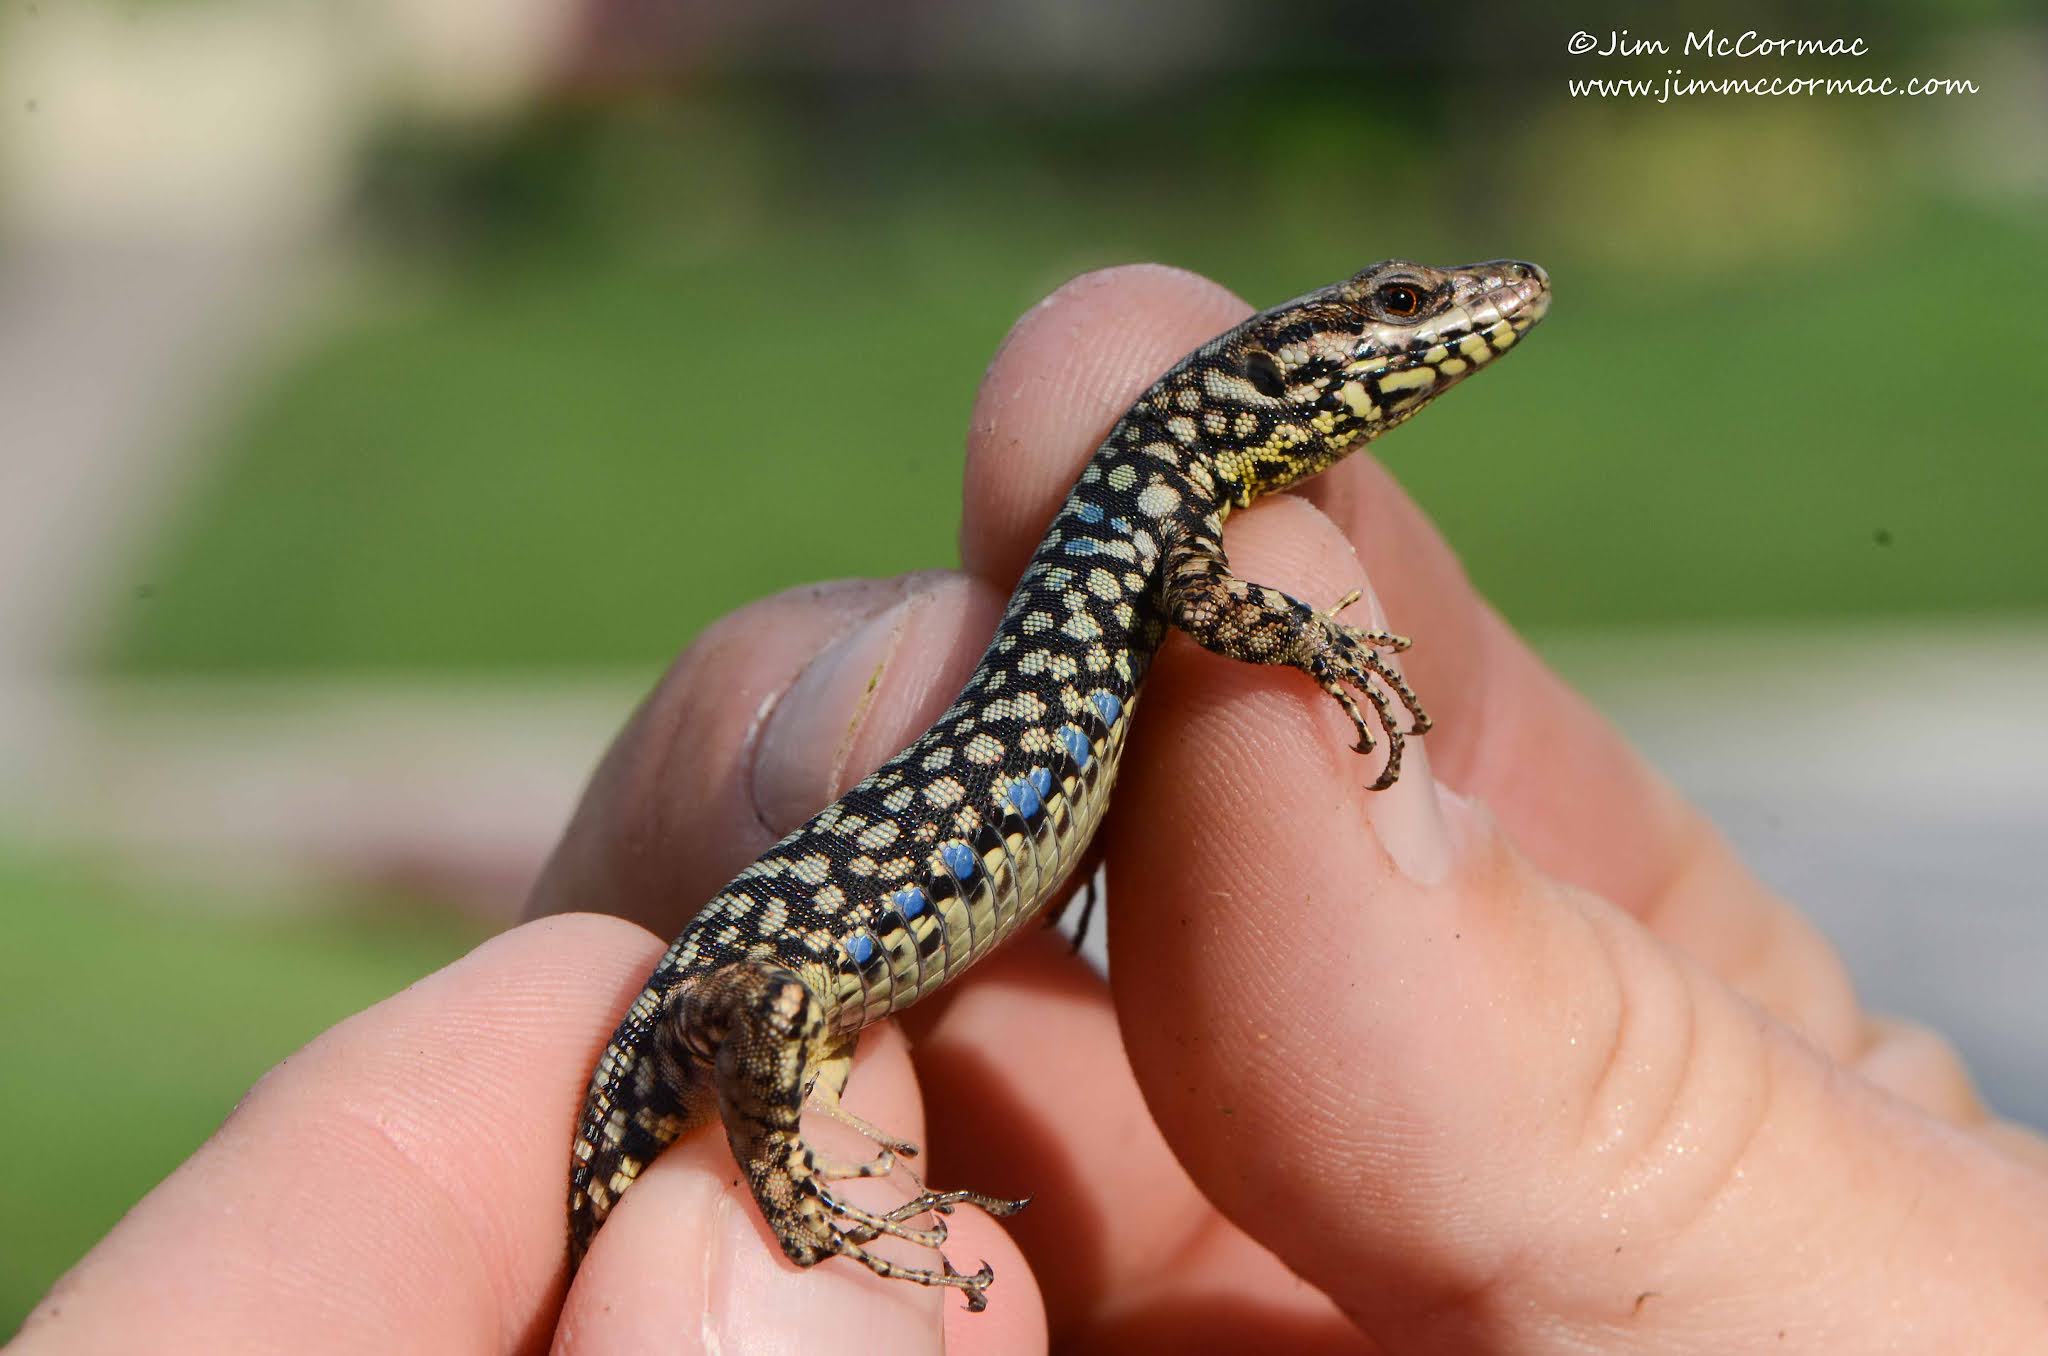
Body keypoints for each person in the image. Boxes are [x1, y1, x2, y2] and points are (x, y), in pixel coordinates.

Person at [14, 265, 2046, 1355]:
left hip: (843, 920)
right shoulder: (1179, 515)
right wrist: (820, 1207)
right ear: (1293, 368)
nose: (1453, 323)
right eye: (1404, 310)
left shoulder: (1185, 502)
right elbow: (1199, 610)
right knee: (765, 1058)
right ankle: (799, 1212)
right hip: (770, 965)